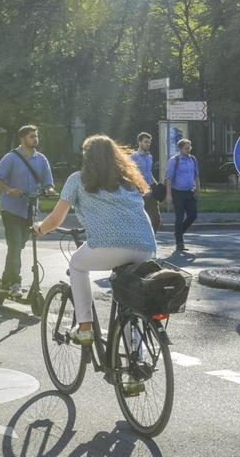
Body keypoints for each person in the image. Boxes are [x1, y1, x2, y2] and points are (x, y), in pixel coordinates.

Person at [33, 135, 156, 346]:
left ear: (87, 157)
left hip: (108, 245)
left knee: (77, 265)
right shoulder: (129, 181)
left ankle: (85, 328)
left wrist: (40, 229)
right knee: (127, 299)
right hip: (146, 247)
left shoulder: (77, 180)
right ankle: (135, 365)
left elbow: (55, 219)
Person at [0, 125, 56, 298]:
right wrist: (8, 190)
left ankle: (6, 280)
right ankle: (15, 283)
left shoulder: (41, 159)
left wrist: (49, 189)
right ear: (22, 139)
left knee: (18, 247)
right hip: (11, 209)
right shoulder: (11, 158)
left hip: (30, 210)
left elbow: (48, 181)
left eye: (36, 136)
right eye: (31, 137)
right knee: (14, 247)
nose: (35, 139)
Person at [164, 138, 200, 252]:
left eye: (189, 147)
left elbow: (196, 176)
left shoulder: (193, 159)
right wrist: (169, 194)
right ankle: (179, 242)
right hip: (177, 192)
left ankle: (178, 232)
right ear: (180, 149)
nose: (188, 150)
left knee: (193, 215)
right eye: (186, 148)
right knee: (179, 217)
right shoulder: (174, 160)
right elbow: (169, 178)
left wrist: (198, 189)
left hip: (190, 191)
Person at [130, 132, 162, 232]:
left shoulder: (149, 157)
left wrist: (156, 184)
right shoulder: (133, 157)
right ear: (140, 142)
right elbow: (129, 174)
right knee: (140, 219)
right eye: (145, 142)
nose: (148, 144)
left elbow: (149, 172)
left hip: (150, 190)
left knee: (156, 219)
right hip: (138, 191)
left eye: (149, 142)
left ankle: (152, 240)